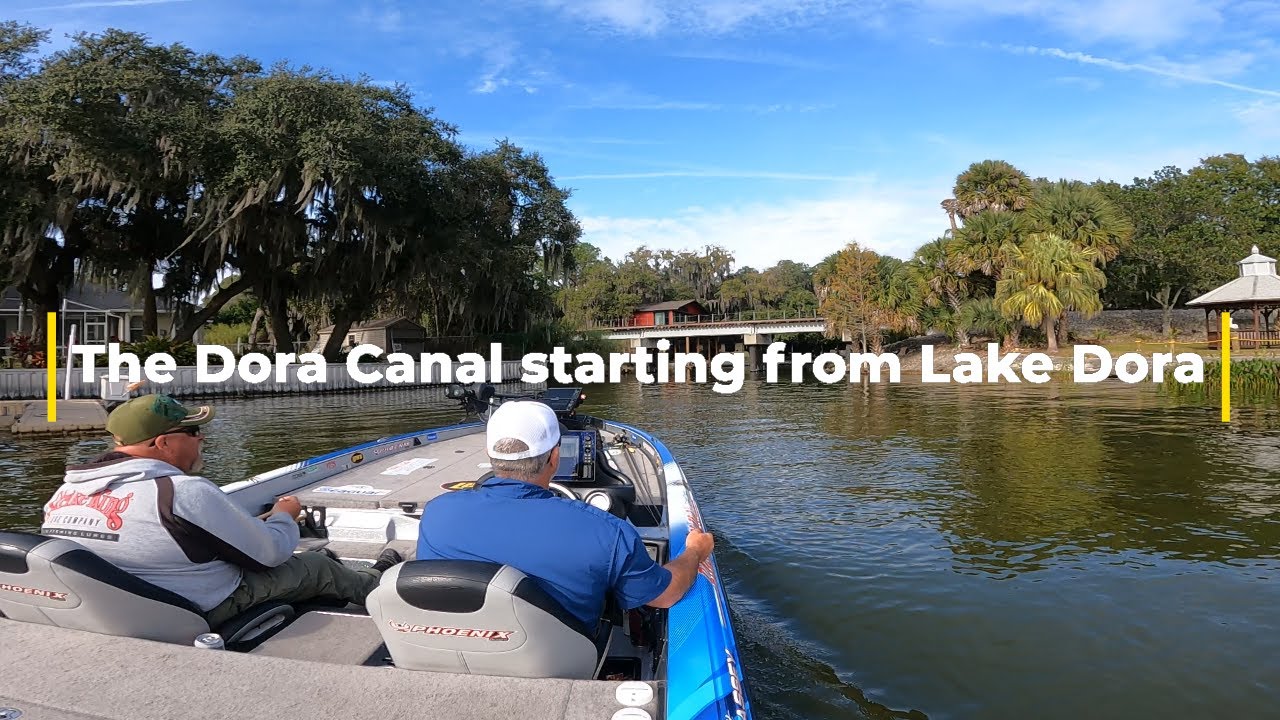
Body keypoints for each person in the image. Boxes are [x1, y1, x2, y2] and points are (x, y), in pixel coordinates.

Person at [41, 393, 402, 627]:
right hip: (198, 607)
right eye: (194, 430)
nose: (203, 439)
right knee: (316, 566)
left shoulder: (65, 492)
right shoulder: (181, 491)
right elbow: (270, 556)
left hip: (120, 607)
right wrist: (283, 515)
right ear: (164, 443)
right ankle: (379, 588)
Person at [416, 400, 714, 630]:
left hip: (457, 648)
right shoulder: (606, 532)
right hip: (560, 661)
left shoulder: (436, 513)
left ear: (490, 454)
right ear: (555, 457)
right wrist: (694, 552)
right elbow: (666, 595)